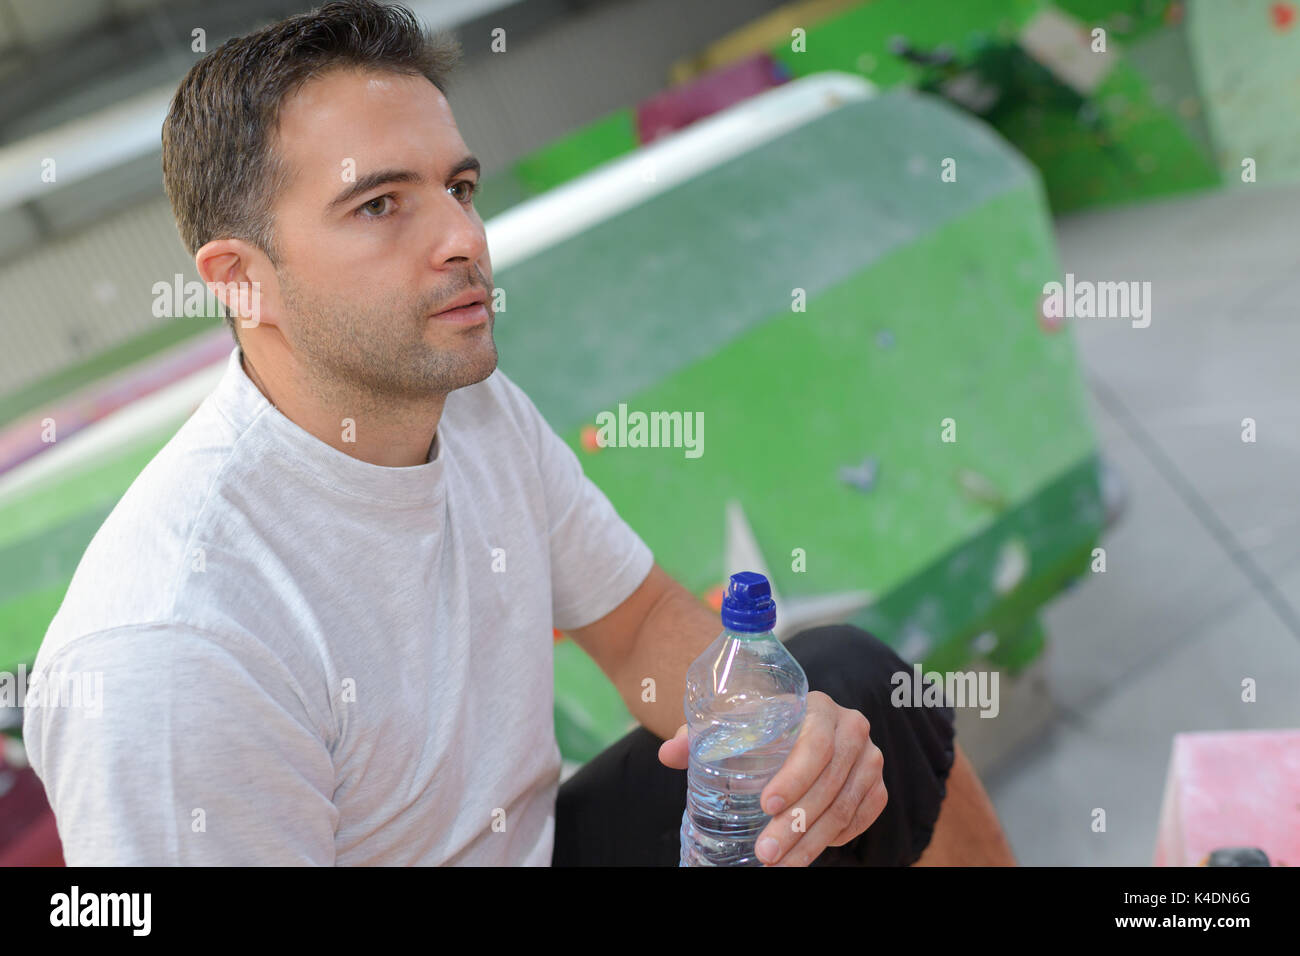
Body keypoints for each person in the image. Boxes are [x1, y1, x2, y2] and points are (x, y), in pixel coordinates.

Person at [23, 0, 1015, 867]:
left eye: (457, 186)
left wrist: (785, 740)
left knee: (856, 699)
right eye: (379, 205)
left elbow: (636, 627)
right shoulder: (169, 648)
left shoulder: (472, 404)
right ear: (239, 277)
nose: (461, 236)